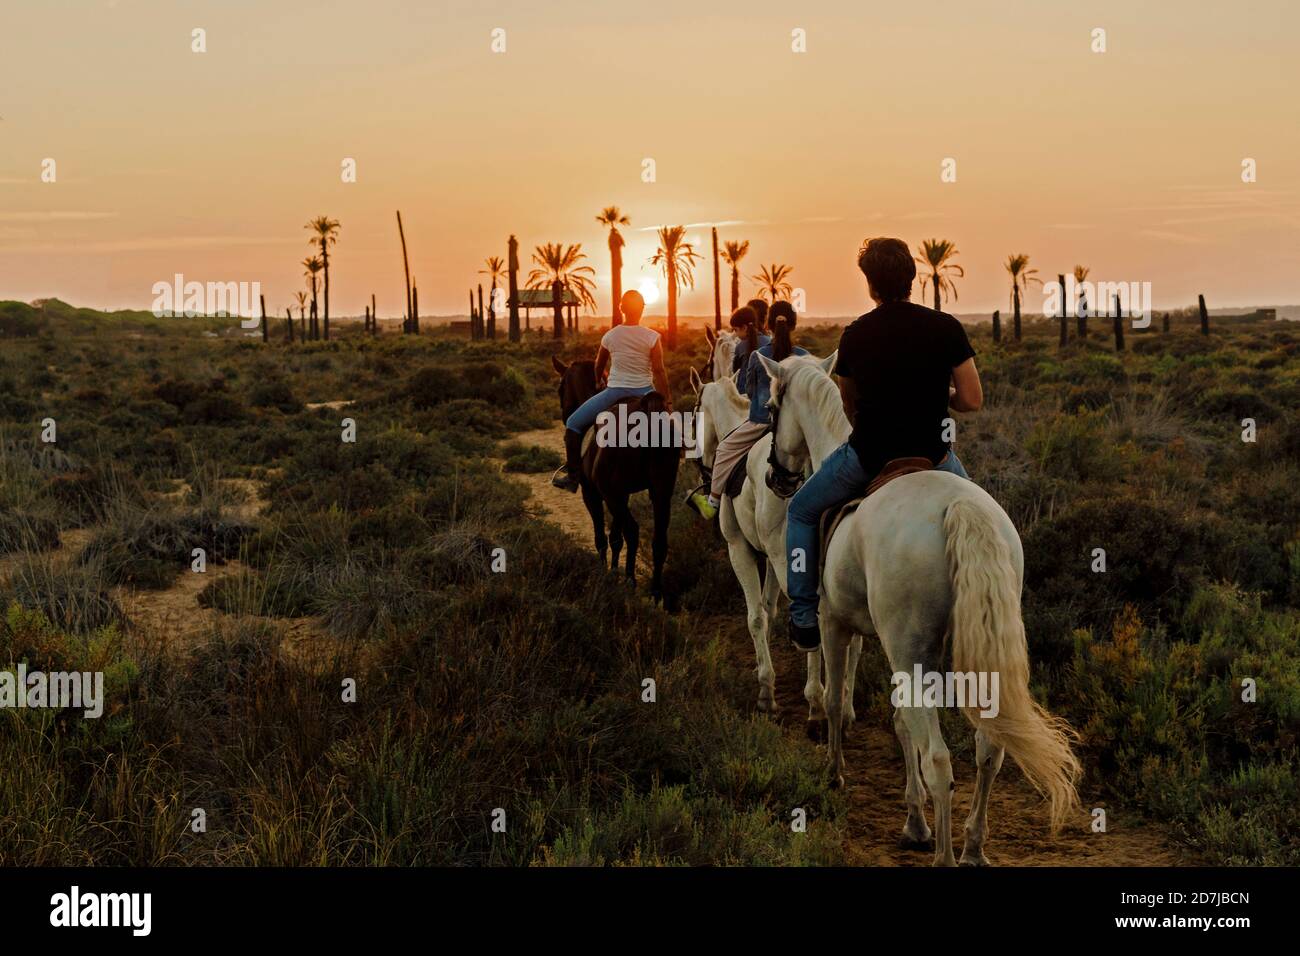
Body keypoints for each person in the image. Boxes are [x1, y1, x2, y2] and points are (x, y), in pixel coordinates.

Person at [783, 238, 983, 650]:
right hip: (935, 456)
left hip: (869, 458)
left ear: (870, 285)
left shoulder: (855, 335)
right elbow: (972, 400)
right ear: (912, 277)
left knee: (801, 510)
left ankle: (803, 616)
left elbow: (848, 402)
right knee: (983, 515)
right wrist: (938, 396)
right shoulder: (946, 328)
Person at [689, 301, 807, 519]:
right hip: (797, 424)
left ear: (768, 324)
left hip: (762, 421)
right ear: (793, 325)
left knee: (724, 450)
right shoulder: (804, 356)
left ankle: (712, 503)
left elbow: (749, 392)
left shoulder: (757, 354)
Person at [552, 289, 672, 492]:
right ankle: (679, 461)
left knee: (572, 424)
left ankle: (573, 476)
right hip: (645, 393)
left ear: (621, 309)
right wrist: (667, 402)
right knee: (674, 430)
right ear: (642, 308)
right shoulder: (652, 337)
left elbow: (599, 365)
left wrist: (598, 381)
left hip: (614, 392)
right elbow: (659, 371)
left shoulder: (610, 336)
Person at [731, 303, 770, 392]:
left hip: (743, 393)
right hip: (766, 392)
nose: (735, 333)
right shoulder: (769, 341)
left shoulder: (740, 347)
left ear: (744, 327)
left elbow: (735, 371)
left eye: (735, 330)